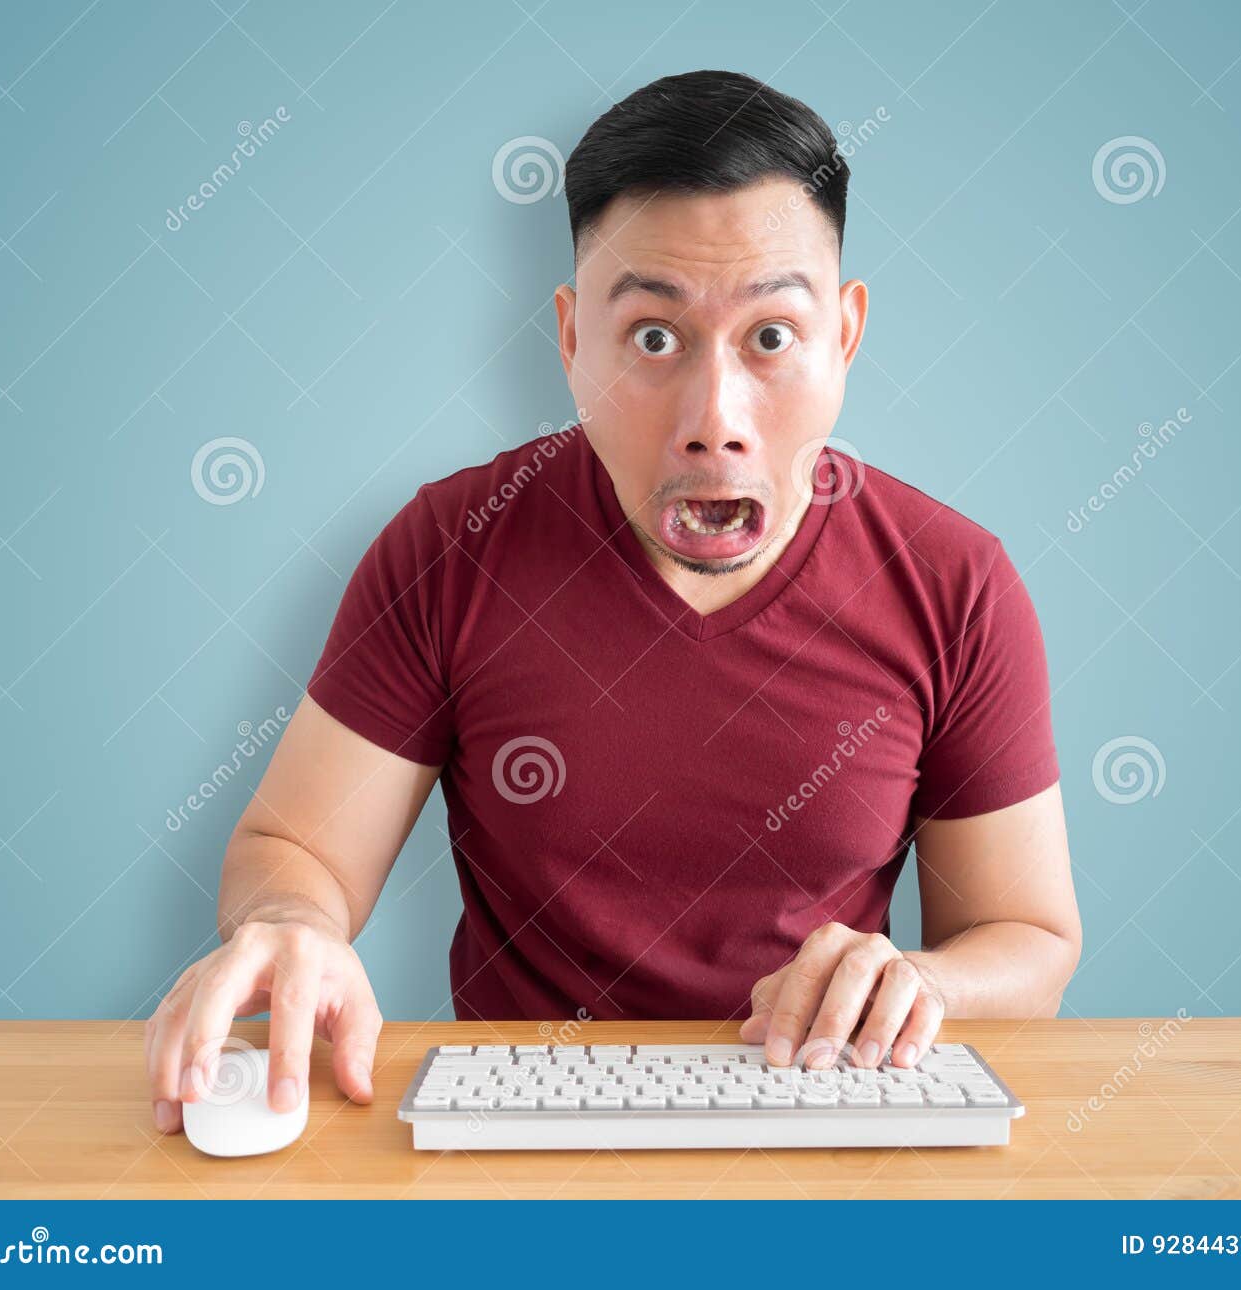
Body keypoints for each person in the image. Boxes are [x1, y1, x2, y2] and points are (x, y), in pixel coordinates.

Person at [145, 69, 1081, 1133]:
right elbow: (298, 851)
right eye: (650, 337)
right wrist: (288, 924)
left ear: (844, 337)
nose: (713, 418)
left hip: (825, 1120)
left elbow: (1027, 940)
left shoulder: (953, 582)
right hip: (516, 1143)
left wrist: (932, 986)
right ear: (569, 337)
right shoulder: (449, 547)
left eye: (771, 336)